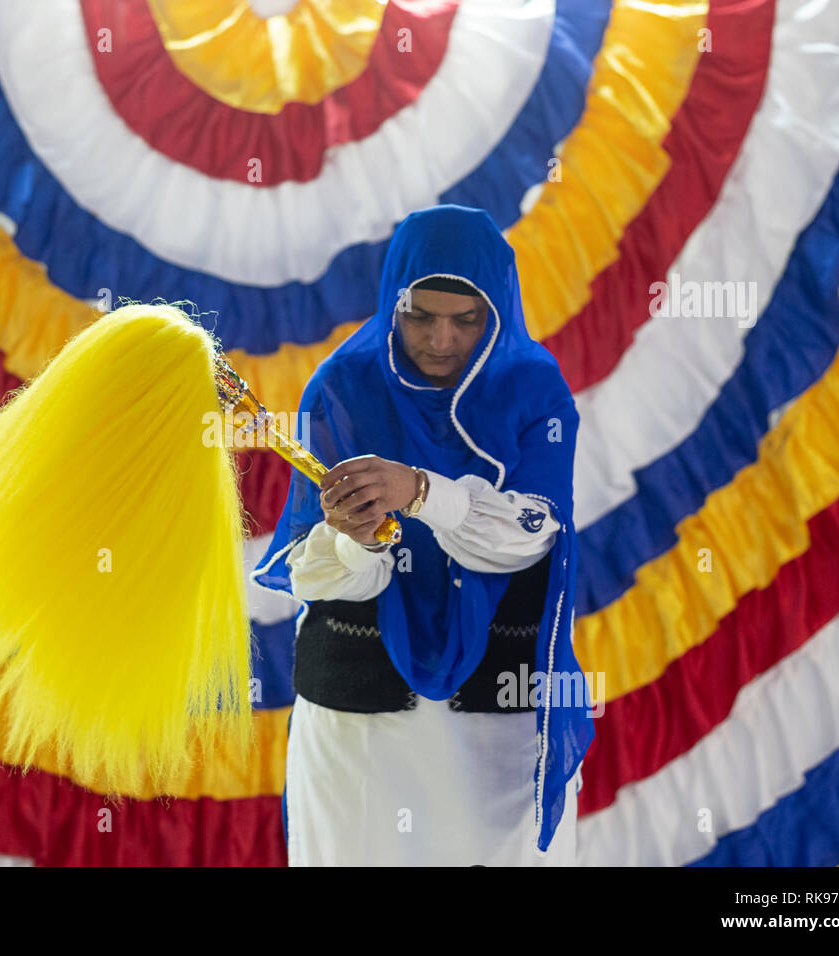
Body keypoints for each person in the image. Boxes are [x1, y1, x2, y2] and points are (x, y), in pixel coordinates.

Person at [253, 204, 595, 866]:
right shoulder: (344, 385)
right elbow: (310, 573)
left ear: (496, 310)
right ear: (393, 300)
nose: (440, 339)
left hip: (499, 723)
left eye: (466, 321)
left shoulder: (533, 388)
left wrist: (422, 492)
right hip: (361, 728)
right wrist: (358, 538)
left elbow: (531, 533)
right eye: (420, 316)